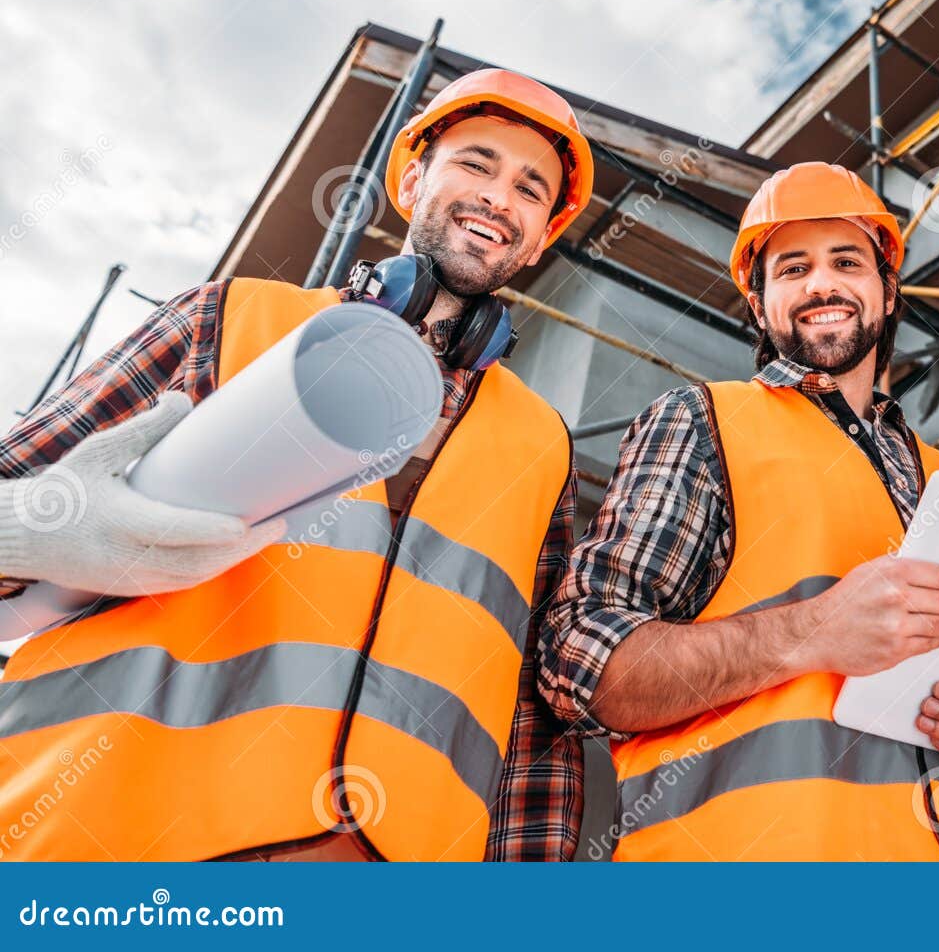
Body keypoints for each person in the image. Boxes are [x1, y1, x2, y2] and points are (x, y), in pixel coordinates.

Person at [0, 68, 590, 862]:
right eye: (476, 164)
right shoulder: (234, 318)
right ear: (414, 180)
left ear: (543, 234)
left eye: (529, 188)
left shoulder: (540, 445)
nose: (499, 197)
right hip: (114, 837)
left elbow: (528, 718)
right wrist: (35, 533)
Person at [541, 162, 939, 860]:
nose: (821, 285)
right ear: (758, 302)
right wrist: (810, 631)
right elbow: (580, 666)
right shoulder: (703, 422)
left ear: (888, 291)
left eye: (846, 261)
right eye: (793, 268)